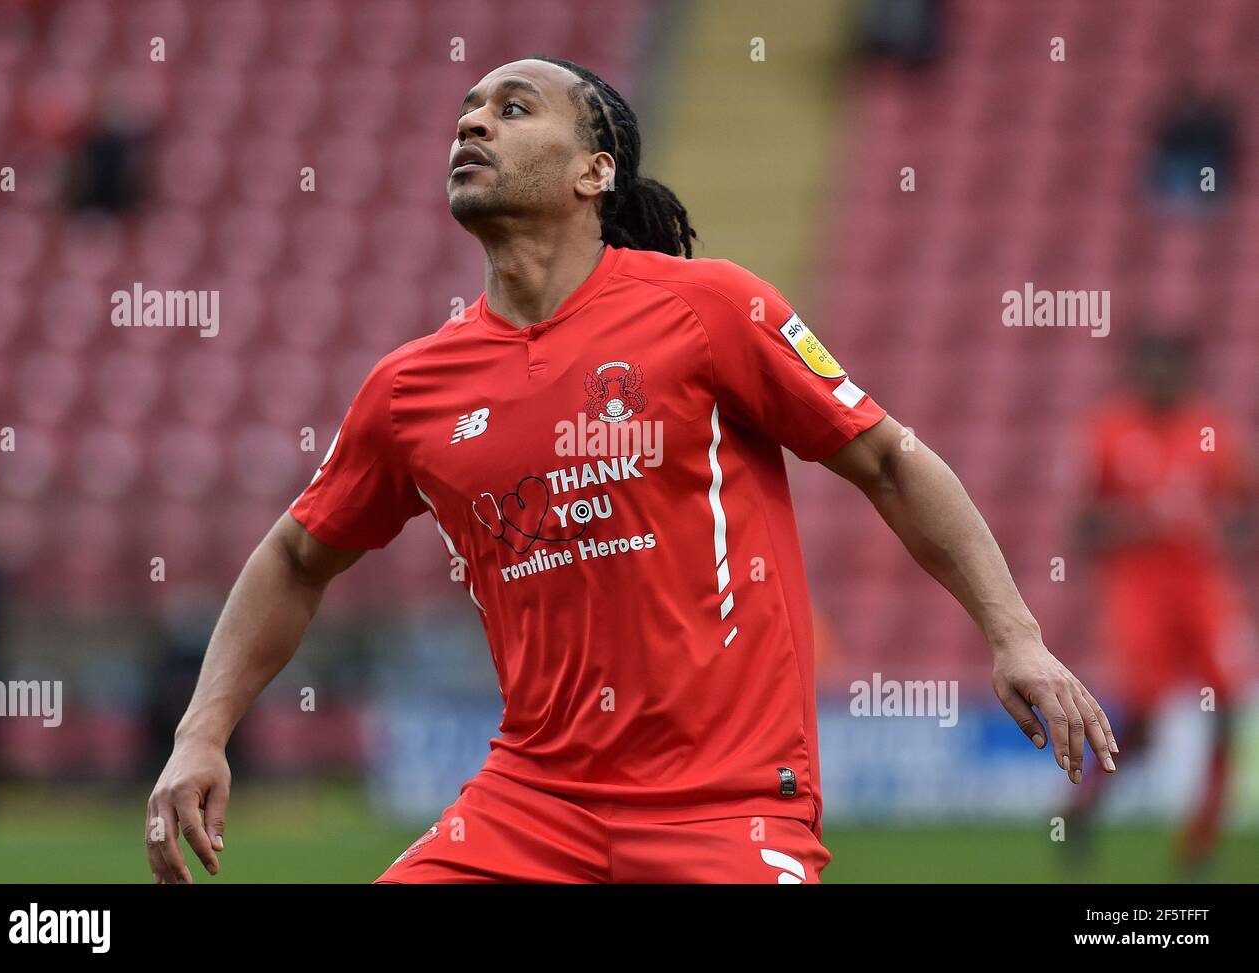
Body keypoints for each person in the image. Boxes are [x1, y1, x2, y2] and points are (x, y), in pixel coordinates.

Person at [146, 57, 1115, 884]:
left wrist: (1013, 634)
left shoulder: (709, 309)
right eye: (466, 112)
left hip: (727, 807)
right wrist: (202, 730)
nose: (474, 120)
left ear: (593, 170)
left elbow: (889, 461)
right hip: (529, 805)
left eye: (514, 107)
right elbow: (295, 556)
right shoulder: (410, 389)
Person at [1069, 331, 1251, 875]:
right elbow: (1081, 528)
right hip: (1139, 590)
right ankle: (1084, 808)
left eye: (1167, 368)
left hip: (1202, 587)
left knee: (1227, 707)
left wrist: (1225, 532)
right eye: (1147, 367)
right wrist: (1131, 524)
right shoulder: (1109, 432)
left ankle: (1202, 838)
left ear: (1184, 373)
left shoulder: (1212, 431)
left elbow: (1243, 512)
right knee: (1141, 722)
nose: (1157, 379)